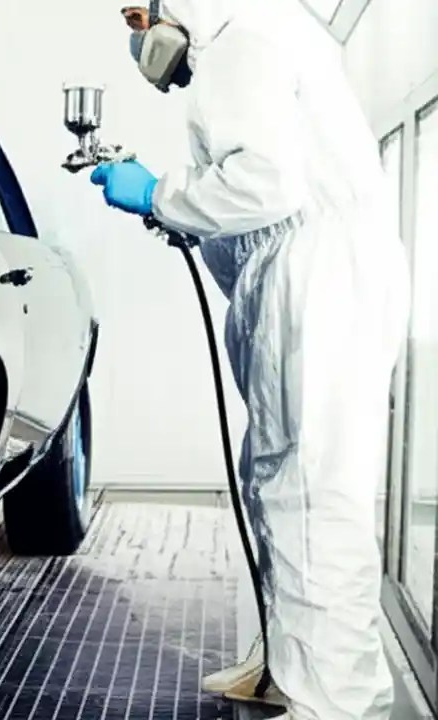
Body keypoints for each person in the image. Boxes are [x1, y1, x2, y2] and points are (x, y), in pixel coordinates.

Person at [87, 1, 411, 718]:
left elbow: (266, 185)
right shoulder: (252, 39)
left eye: (140, 15)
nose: (136, 31)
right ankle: (287, 666)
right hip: (312, 276)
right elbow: (257, 199)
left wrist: (160, 192)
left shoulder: (242, 40)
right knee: (276, 479)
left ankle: (335, 704)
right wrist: (172, 209)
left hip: (320, 283)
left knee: (311, 499)